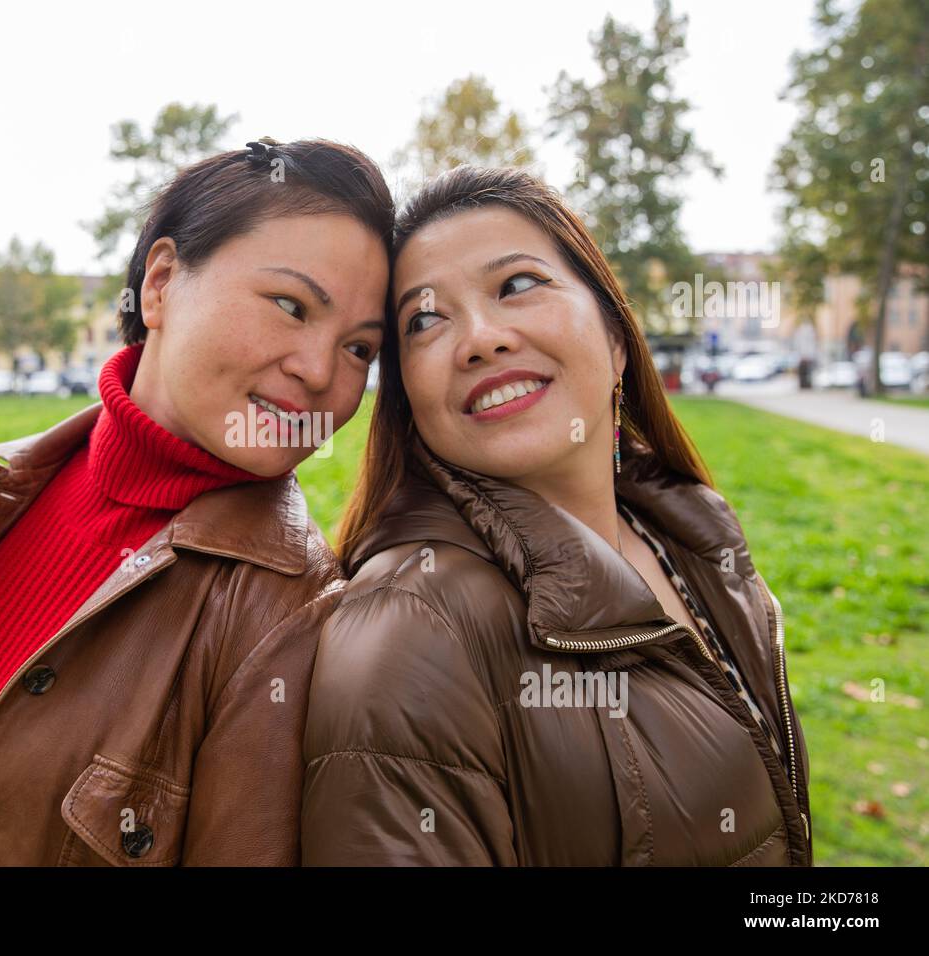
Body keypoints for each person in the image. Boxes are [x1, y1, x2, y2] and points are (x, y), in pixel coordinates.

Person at [0, 138, 393, 866]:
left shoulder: (282, 614)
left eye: (361, 348)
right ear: (162, 282)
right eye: (291, 306)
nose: (322, 370)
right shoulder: (25, 480)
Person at [301, 165, 812, 866]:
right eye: (425, 320)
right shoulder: (410, 630)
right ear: (407, 397)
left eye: (515, 285)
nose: (480, 338)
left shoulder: (695, 538)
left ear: (615, 335)